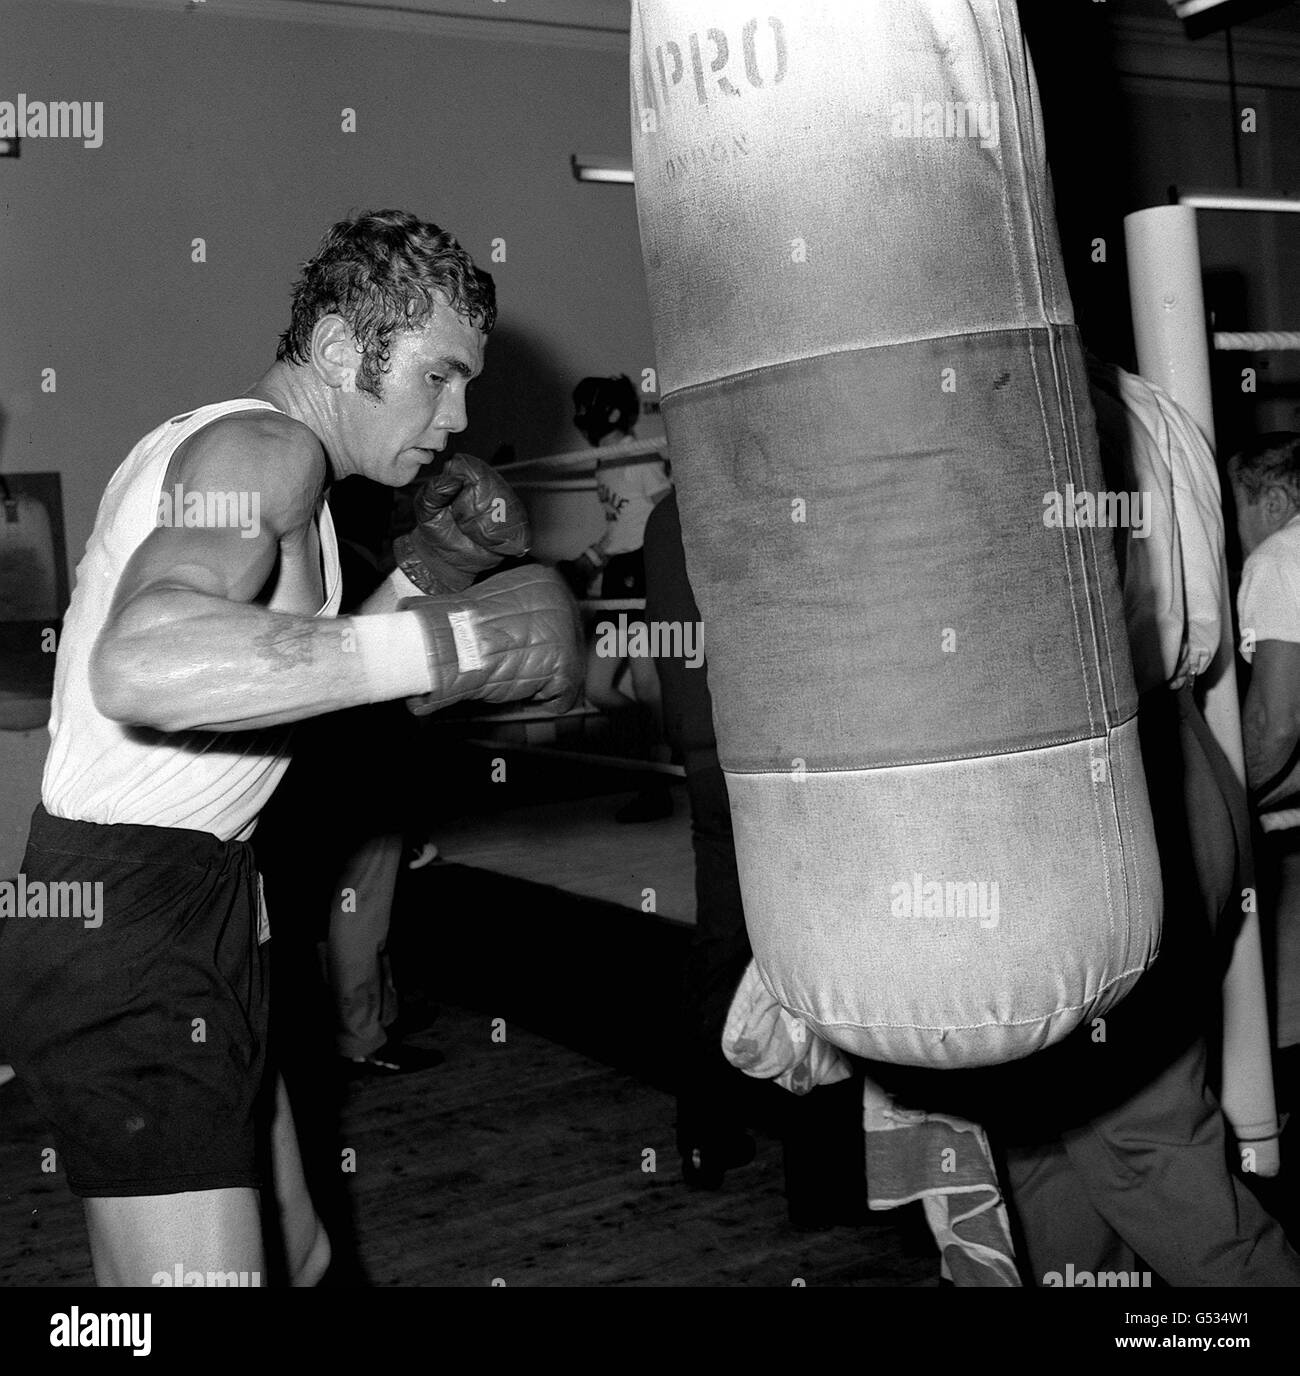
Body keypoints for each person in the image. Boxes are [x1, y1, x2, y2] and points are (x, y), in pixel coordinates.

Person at [0, 209, 583, 1286]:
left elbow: (273, 697)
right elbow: (143, 659)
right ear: (332, 351)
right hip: (130, 923)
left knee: (302, 1249)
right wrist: (440, 643)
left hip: (208, 897)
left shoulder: (281, 479)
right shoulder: (262, 449)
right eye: (437, 376)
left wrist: (417, 588)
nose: (456, 417)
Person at [564, 375, 674, 823]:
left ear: (611, 412)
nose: (582, 416)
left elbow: (665, 510)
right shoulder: (605, 460)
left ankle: (659, 784)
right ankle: (657, 769)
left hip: (643, 571)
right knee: (597, 687)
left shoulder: (637, 454)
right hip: (621, 575)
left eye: (589, 405)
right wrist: (592, 557)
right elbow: (623, 522)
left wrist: (666, 568)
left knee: (648, 687)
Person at [1230, 433, 1300, 1086]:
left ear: (1273, 500)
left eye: (1236, 511)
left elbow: (1275, 726)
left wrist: (1224, 804)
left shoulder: (1281, 555)